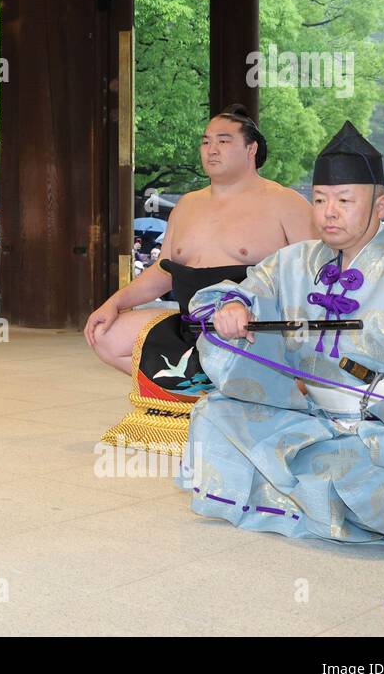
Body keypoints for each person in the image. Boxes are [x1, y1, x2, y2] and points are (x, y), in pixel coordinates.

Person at [185, 121, 384, 577]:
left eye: (345, 201)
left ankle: (359, 509)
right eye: (319, 200)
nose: (329, 212)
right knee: (215, 414)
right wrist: (233, 306)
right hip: (308, 417)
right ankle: (323, 506)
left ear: (380, 206)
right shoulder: (292, 262)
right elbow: (242, 291)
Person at [88, 106, 316, 453]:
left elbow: (314, 276)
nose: (211, 149)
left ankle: (257, 400)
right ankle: (198, 403)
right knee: (104, 334)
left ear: (251, 149)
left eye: (224, 141)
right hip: (189, 322)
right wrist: (114, 302)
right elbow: (163, 271)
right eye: (206, 141)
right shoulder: (187, 205)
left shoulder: (284, 203)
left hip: (252, 330)